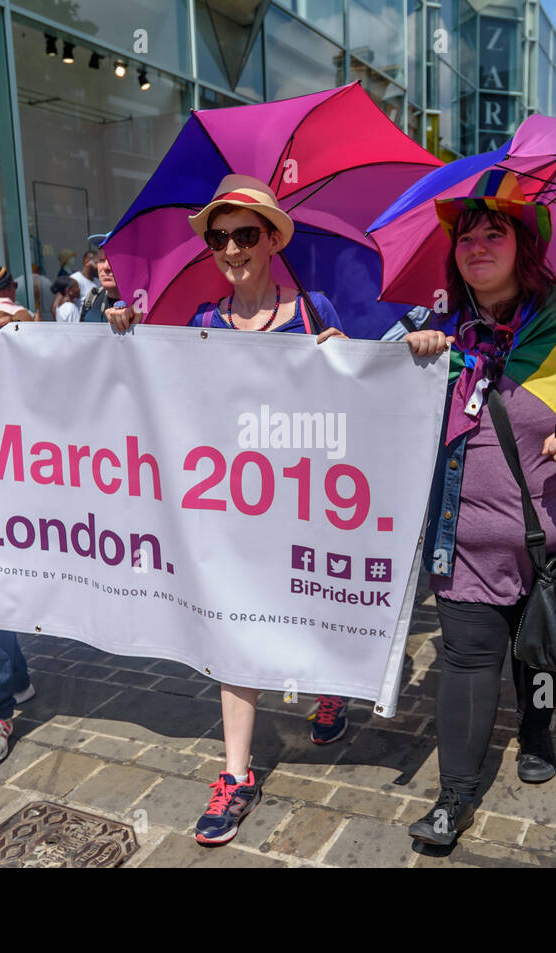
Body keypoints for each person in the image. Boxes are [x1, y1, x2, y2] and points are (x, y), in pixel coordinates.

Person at [400, 171, 556, 847]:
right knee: (465, 658)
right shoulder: (438, 329)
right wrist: (413, 354)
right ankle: (453, 797)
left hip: (547, 542)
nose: (476, 245)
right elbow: (370, 396)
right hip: (462, 542)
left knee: (535, 646)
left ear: (525, 246)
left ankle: (537, 727)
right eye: (466, 235)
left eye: (494, 232)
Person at [107, 174, 352, 846]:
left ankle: (329, 679)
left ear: (272, 238)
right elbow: (167, 394)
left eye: (246, 234)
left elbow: (355, 407)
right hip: (233, 505)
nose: (232, 248)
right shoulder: (203, 325)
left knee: (310, 600)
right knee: (234, 625)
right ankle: (236, 773)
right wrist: (127, 337)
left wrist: (340, 358)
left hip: (304, 496)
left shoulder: (313, 311)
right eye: (219, 238)